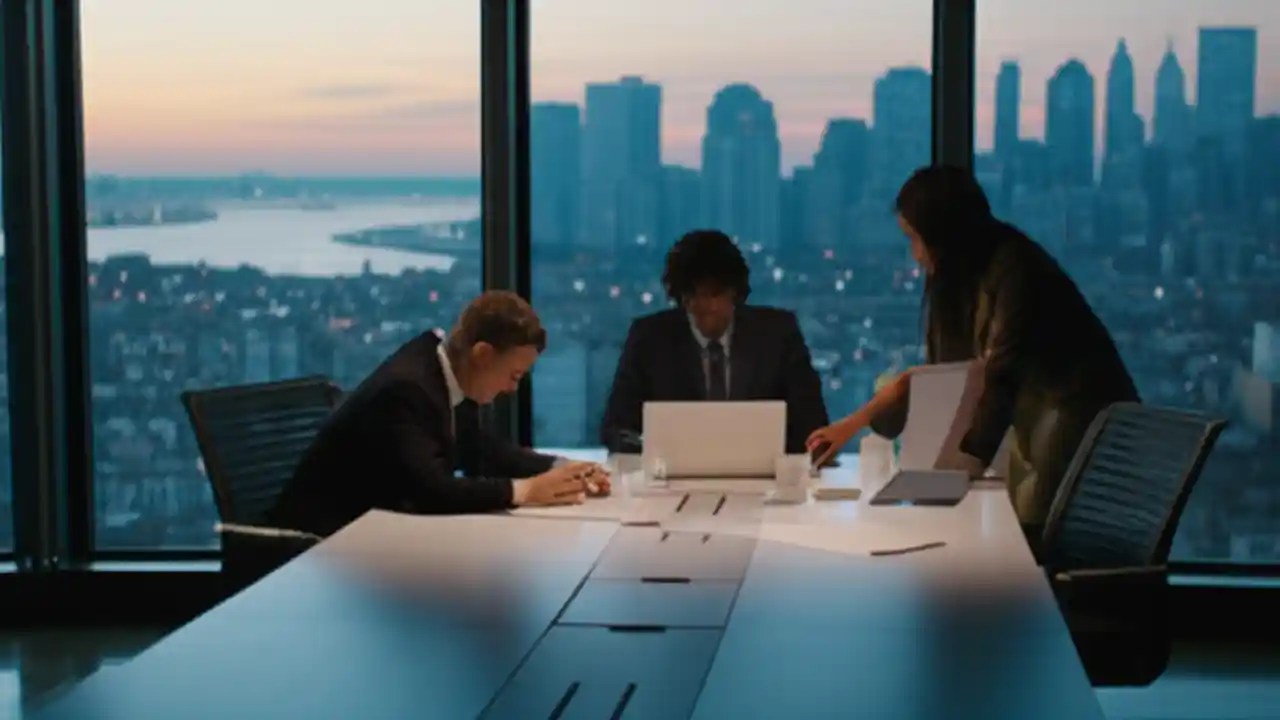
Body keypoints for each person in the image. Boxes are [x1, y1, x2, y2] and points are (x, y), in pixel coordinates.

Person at [807, 165, 1139, 532]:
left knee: (1035, 544)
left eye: (916, 239)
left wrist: (961, 469)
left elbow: (1000, 377)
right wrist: (851, 425)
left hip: (1084, 432)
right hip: (1051, 427)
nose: (915, 255)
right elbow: (947, 375)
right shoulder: (975, 273)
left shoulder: (1015, 269)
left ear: (943, 233)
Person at [270, 291, 608, 537]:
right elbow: (430, 491)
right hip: (321, 547)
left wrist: (564, 469)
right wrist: (526, 491)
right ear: (483, 355)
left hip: (375, 537)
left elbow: (484, 452)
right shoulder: (408, 389)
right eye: (513, 375)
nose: (512, 388)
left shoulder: (444, 373)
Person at [601, 229, 829, 454]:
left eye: (715, 293)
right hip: (671, 474)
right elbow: (617, 428)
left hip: (765, 474)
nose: (707, 306)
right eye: (695, 295)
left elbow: (814, 427)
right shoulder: (649, 339)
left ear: (735, 292)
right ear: (681, 297)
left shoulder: (778, 335)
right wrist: (654, 452)